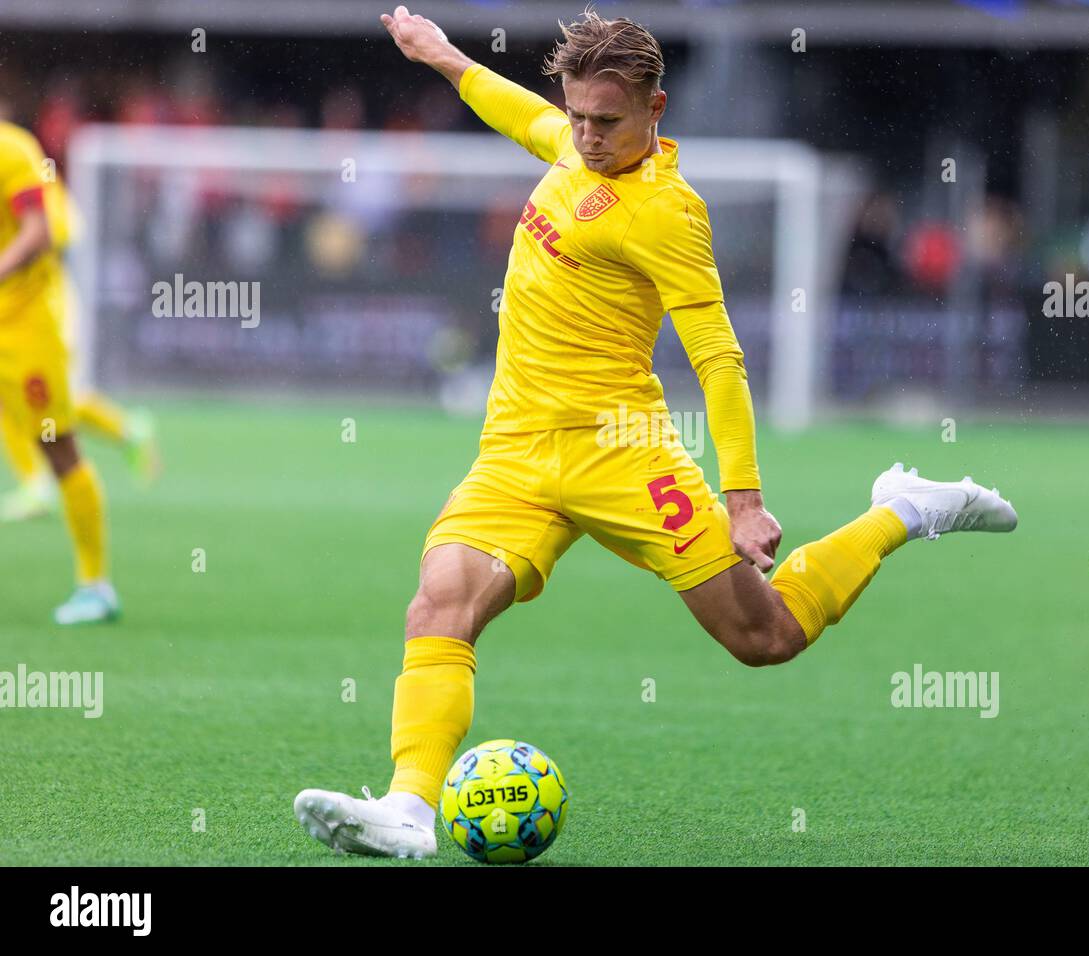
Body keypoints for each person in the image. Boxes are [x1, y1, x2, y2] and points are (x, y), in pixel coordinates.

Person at [293, 5, 1017, 859]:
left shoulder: (667, 212)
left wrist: (744, 502)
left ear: (656, 109)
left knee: (766, 637)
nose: (588, 137)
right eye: (578, 116)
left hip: (626, 453)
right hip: (518, 453)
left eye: (607, 120)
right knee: (439, 605)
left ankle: (904, 510)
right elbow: (508, 104)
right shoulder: (569, 139)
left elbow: (719, 359)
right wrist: (440, 53)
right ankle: (410, 810)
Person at [0, 121, 118, 623]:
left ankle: (96, 586)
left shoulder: (12, 149)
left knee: (58, 446)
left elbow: (39, 232)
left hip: (26, 326)